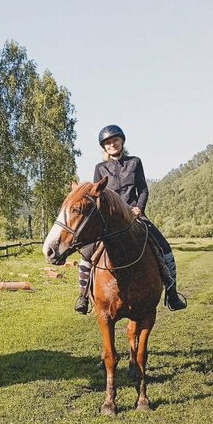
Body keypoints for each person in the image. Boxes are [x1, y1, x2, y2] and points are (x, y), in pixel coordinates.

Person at [75, 125, 187, 314]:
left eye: (115, 140)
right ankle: (83, 296)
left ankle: (172, 293)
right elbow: (96, 194)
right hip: (110, 219)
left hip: (135, 215)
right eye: (107, 143)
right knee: (87, 253)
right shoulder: (100, 168)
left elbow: (143, 189)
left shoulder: (135, 162)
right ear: (104, 147)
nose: (112, 144)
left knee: (164, 247)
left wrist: (139, 208)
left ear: (122, 141)